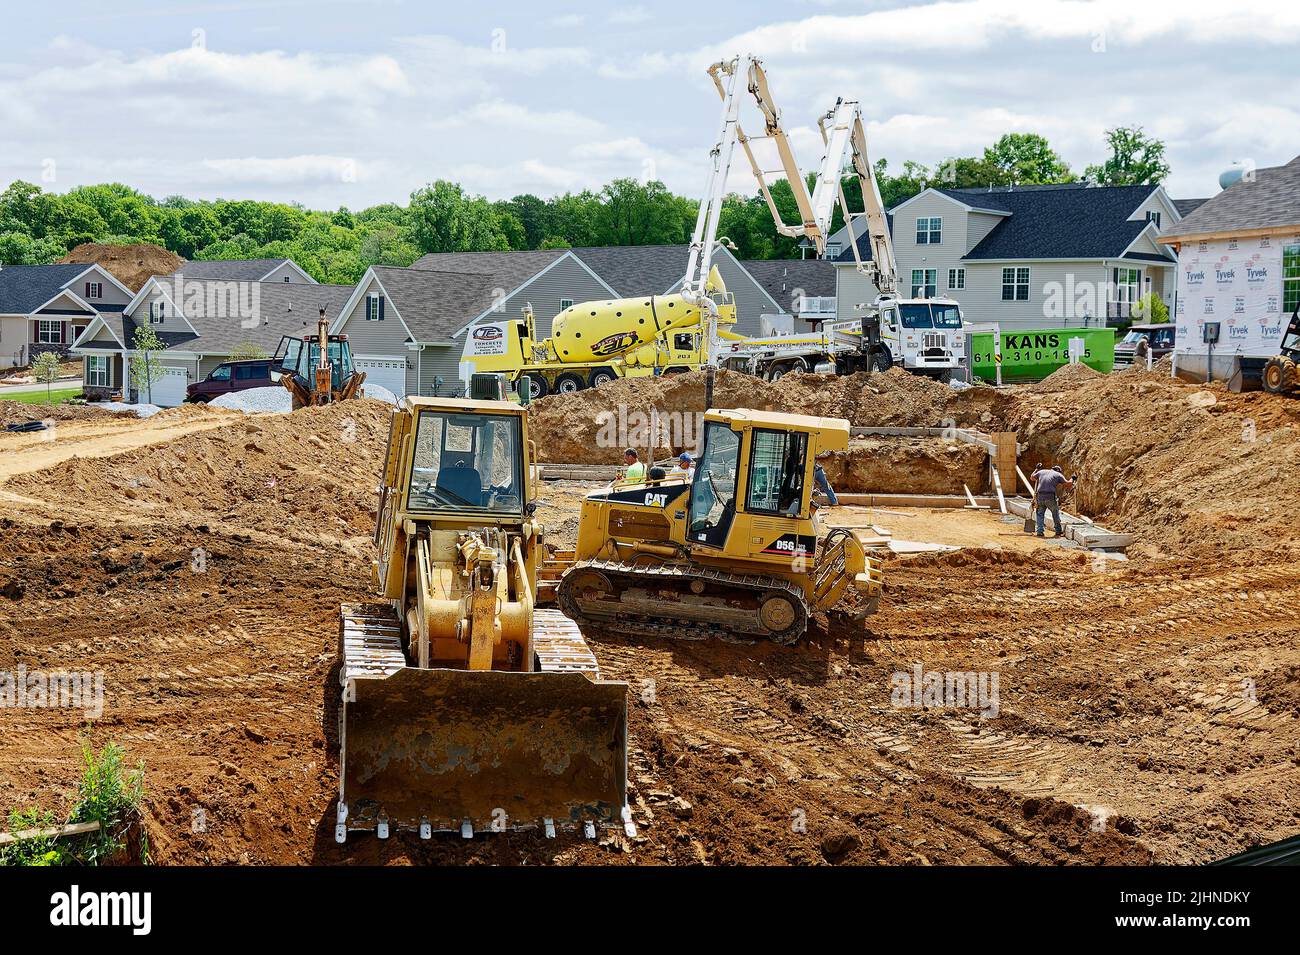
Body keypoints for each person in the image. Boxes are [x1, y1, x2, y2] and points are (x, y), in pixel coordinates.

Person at [1029, 464, 1075, 537]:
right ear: (1059, 471)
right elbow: (1068, 484)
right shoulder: (1058, 475)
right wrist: (1073, 478)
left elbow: (1032, 478)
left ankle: (1040, 531)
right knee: (1055, 513)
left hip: (1040, 496)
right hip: (1050, 497)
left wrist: (1036, 469)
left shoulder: (1042, 471)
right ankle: (1058, 531)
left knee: (1040, 514)